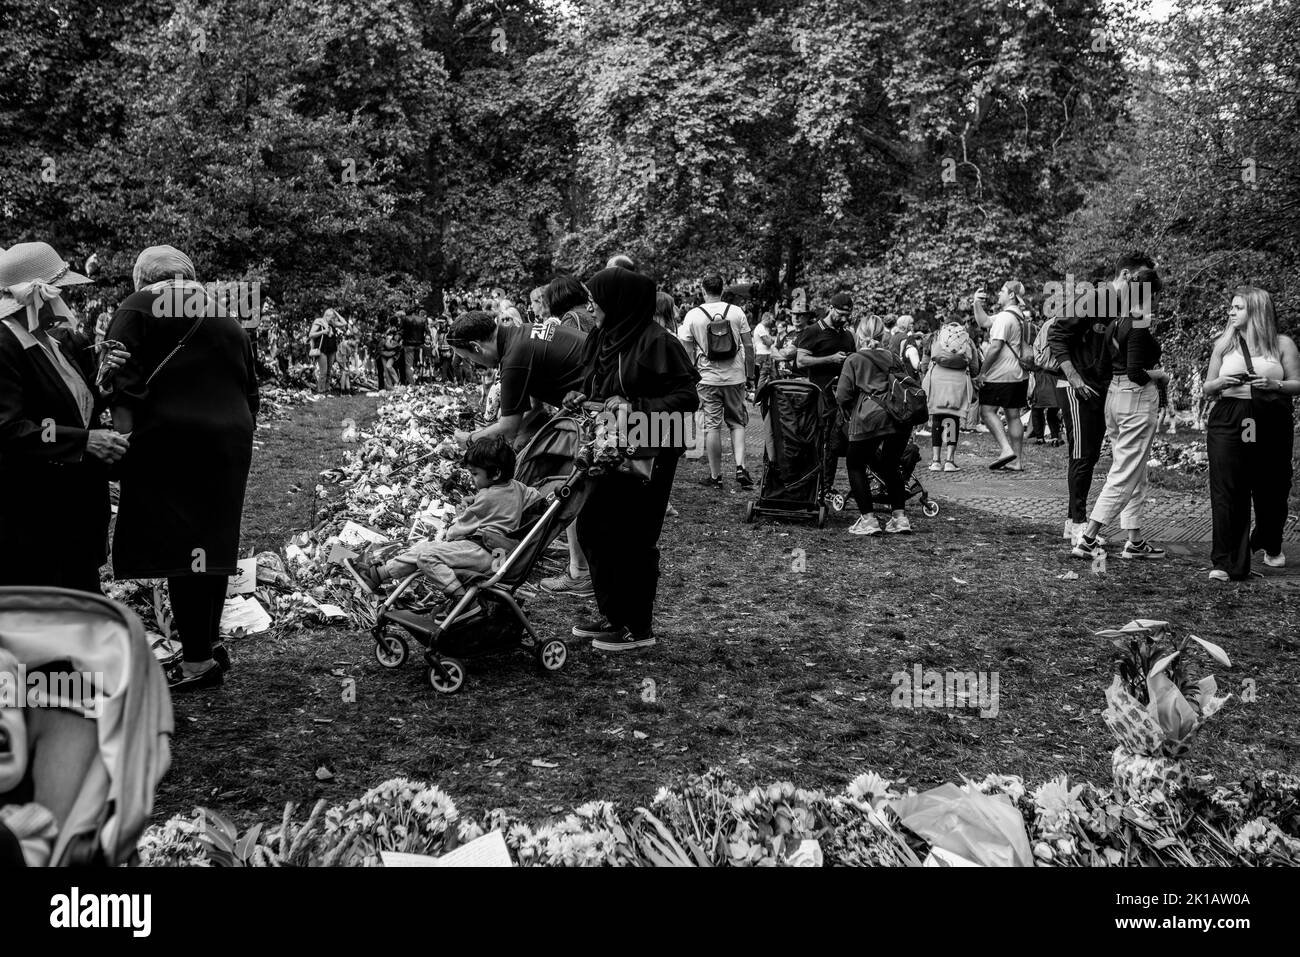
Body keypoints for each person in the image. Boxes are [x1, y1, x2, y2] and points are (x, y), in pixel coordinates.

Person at [107, 245, 258, 692]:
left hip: (171, 440)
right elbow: (251, 387)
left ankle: (195, 663)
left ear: (144, 278)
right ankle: (208, 646)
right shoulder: (225, 313)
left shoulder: (137, 307)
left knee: (181, 548)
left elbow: (123, 383)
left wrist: (123, 442)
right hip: (230, 438)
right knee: (210, 543)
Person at [571, 266, 699, 651]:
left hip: (651, 447)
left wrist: (634, 405)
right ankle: (613, 615)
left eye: (596, 301)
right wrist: (579, 396)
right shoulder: (602, 337)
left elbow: (687, 398)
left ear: (618, 302)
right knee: (593, 527)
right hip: (608, 446)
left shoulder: (659, 343)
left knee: (634, 537)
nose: (591, 308)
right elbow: (593, 383)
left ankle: (637, 628)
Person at [0, 242, 129, 592]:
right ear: (38, 297)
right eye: (61, 292)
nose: (66, 302)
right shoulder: (6, 346)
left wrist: (102, 382)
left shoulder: (53, 341)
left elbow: (71, 405)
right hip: (36, 511)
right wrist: (85, 442)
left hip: (75, 507)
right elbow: (10, 429)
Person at [347, 436, 542, 598]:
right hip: (499, 554)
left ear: (496, 473)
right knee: (425, 548)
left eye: (475, 474)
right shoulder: (517, 487)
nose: (473, 479)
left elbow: (459, 530)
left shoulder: (487, 498)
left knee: (427, 556)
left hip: (483, 551)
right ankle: (379, 574)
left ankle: (461, 599)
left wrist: (449, 531)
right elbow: (532, 496)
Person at [1048, 253, 1156, 545]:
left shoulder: (1128, 307)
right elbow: (1057, 335)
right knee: (1082, 456)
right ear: (1125, 274)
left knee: (1092, 455)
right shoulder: (1095, 297)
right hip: (1076, 386)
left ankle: (1074, 522)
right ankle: (1078, 525)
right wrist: (1074, 377)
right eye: (1139, 279)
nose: (1143, 287)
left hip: (1103, 388)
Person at [1203, 286, 1299, 580]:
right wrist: (1222, 382)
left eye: (1238, 307)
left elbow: (1298, 383)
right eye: (1231, 307)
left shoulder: (1282, 344)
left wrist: (1275, 386)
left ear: (1256, 311)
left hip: (1269, 418)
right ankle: (1225, 561)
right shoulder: (1224, 344)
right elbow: (1207, 388)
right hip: (1230, 418)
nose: (1231, 312)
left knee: (1273, 488)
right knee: (1229, 487)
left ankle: (1267, 539)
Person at [1073, 266, 1169, 561]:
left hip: (1114, 401)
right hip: (1135, 400)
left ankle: (1135, 540)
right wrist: (1161, 376)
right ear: (1149, 294)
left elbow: (1102, 369)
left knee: (1133, 470)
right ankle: (1088, 537)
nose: (1156, 302)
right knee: (1124, 472)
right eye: (1155, 296)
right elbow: (1137, 374)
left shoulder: (1116, 323)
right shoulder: (1138, 325)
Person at [446, 310, 589, 449]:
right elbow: (534, 406)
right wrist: (488, 433)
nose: (472, 362)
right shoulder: (520, 333)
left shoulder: (513, 359)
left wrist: (470, 440)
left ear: (476, 347)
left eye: (468, 358)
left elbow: (508, 429)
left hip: (601, 396)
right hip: (600, 379)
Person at [836, 315, 912, 535]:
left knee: (855, 463)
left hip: (869, 417)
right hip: (898, 418)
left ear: (860, 334)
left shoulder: (854, 359)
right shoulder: (894, 357)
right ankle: (900, 518)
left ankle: (868, 519)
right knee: (891, 464)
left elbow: (842, 395)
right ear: (882, 335)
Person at [680, 274, 753, 489]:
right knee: (737, 422)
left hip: (707, 378)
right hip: (735, 376)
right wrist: (750, 375)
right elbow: (748, 346)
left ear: (703, 290)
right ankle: (740, 467)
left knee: (712, 427)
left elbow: (687, 349)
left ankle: (716, 476)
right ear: (722, 289)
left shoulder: (693, 315)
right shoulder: (737, 312)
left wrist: (691, 374)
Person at [796, 293, 856, 502]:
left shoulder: (848, 335)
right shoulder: (813, 331)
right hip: (818, 397)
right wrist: (830, 359)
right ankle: (810, 485)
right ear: (830, 308)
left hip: (841, 399)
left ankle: (827, 487)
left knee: (833, 444)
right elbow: (801, 361)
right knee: (817, 442)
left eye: (847, 315)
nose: (844, 319)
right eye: (840, 314)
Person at [972, 281, 1031, 471]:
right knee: (1013, 415)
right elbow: (985, 322)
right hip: (1018, 374)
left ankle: (1006, 449)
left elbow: (995, 347)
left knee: (987, 411)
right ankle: (1017, 461)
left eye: (1002, 291)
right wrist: (976, 303)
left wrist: (982, 373)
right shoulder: (1018, 315)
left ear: (1011, 295)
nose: (999, 293)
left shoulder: (1005, 318)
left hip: (1000, 375)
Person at [923, 317, 980, 472]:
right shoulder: (965, 338)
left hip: (937, 379)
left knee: (937, 418)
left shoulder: (935, 336)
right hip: (958, 380)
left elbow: (925, 361)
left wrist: (926, 373)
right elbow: (974, 366)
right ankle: (949, 461)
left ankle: (935, 460)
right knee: (952, 418)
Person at [308, 308, 341, 394]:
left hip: (332, 349)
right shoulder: (319, 322)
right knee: (324, 371)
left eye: (333, 317)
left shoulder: (332, 323)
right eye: (331, 317)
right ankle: (320, 390)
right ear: (327, 316)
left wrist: (336, 313)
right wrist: (323, 331)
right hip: (322, 349)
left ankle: (326, 389)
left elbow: (344, 323)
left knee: (329, 371)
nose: (333, 319)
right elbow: (311, 335)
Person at [400, 310, 427, 385]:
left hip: (408, 345)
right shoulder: (422, 319)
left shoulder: (404, 319)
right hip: (419, 345)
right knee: (418, 363)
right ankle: (418, 381)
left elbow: (401, 331)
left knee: (409, 365)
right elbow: (427, 331)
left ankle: (412, 384)